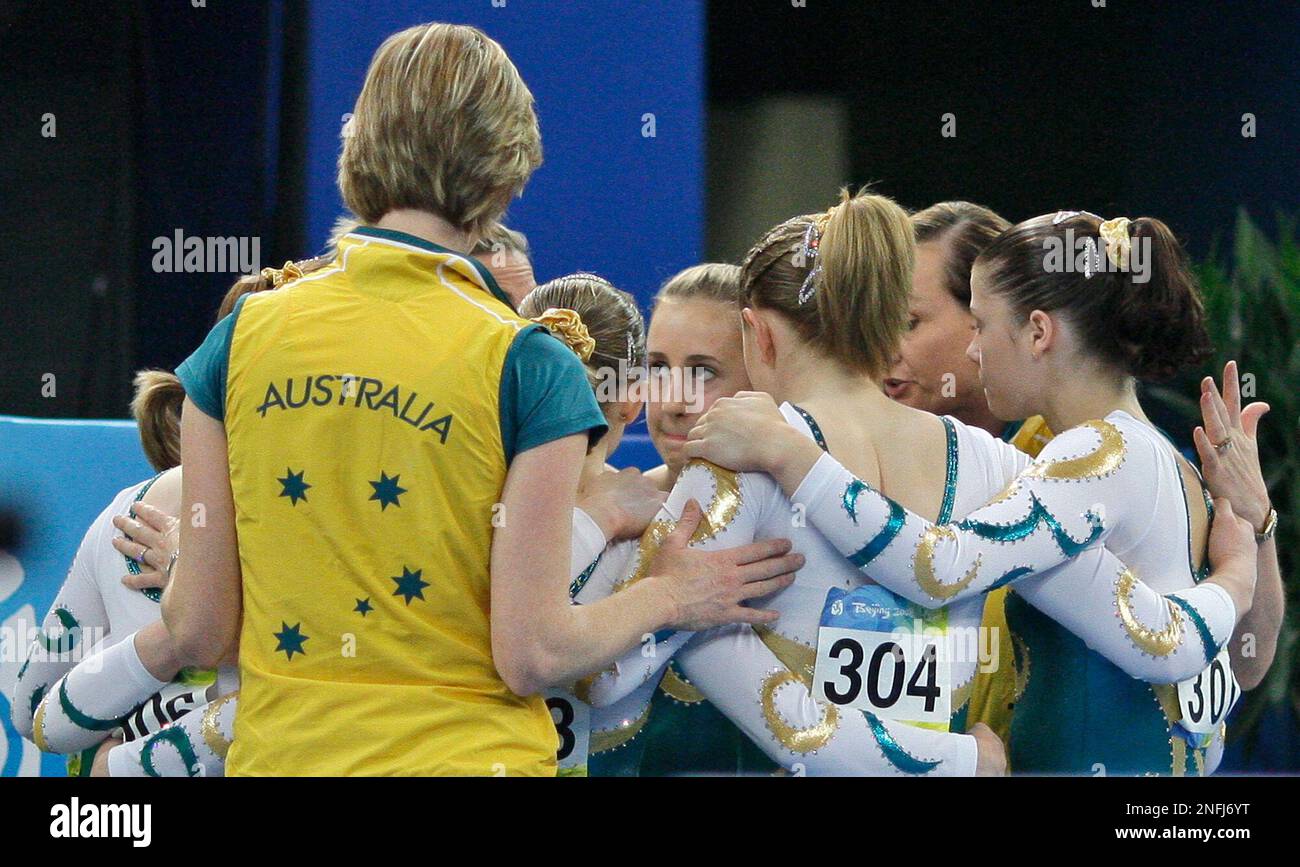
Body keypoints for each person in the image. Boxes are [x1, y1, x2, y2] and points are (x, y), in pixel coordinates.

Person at [160, 22, 800, 776]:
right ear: (506, 176)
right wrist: (668, 594)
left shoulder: (239, 338)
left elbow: (199, 631)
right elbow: (534, 651)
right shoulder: (529, 360)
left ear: (357, 146)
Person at [687, 209, 1272, 774]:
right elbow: (1218, 665)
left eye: (984, 326)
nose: (973, 350)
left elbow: (939, 567)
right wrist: (1254, 546)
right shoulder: (1165, 460)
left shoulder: (1099, 456)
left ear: (1038, 333)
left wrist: (796, 457)